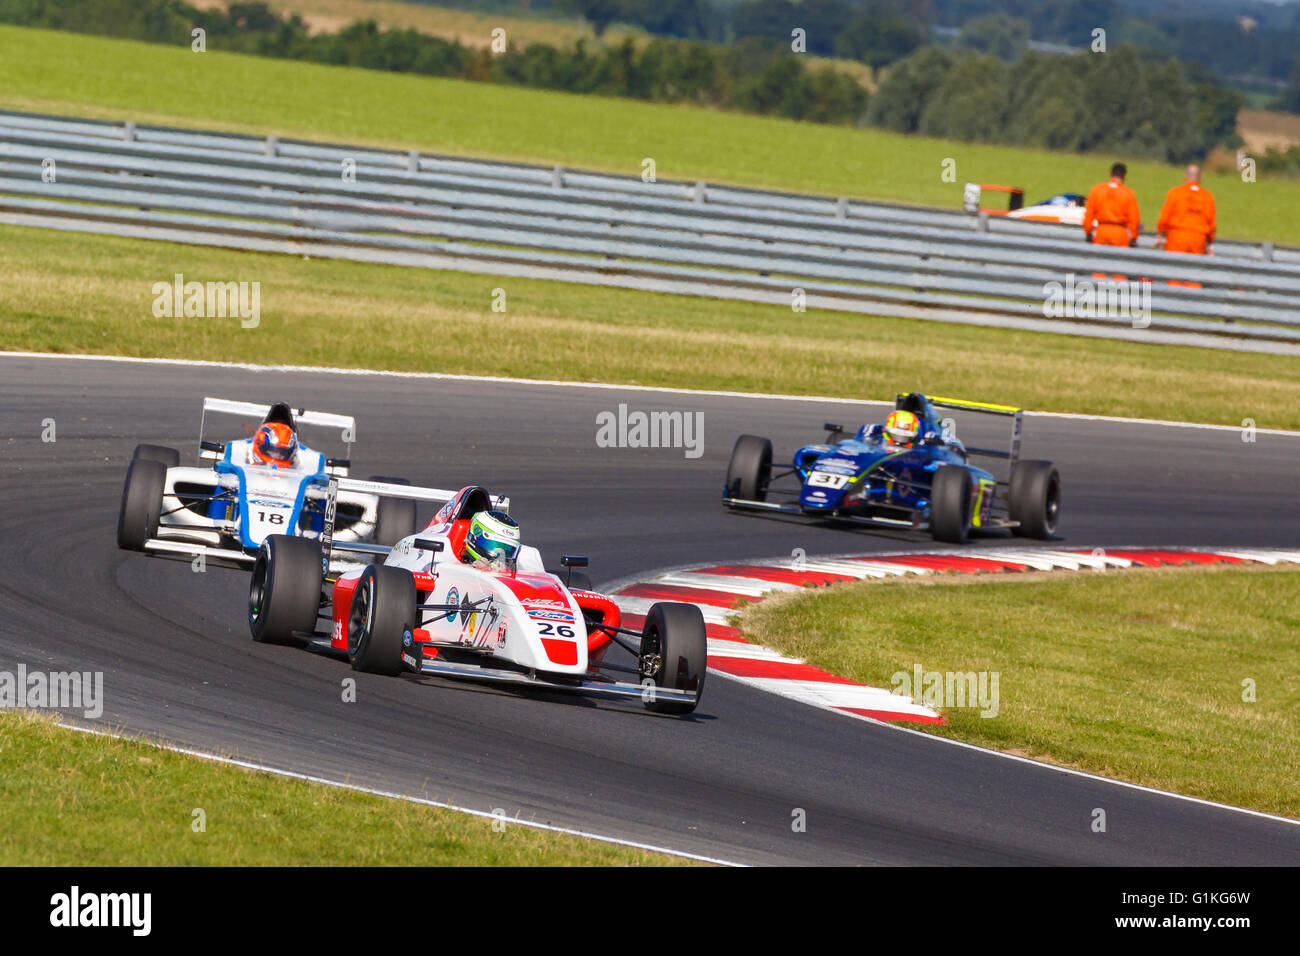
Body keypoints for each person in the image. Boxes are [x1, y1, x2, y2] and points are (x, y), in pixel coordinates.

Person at [1157, 164, 1216, 255]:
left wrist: (1160, 234)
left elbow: (1165, 217)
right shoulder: (1208, 197)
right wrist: (1210, 241)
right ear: (1200, 177)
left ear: (1185, 176)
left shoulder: (1174, 193)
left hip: (1176, 238)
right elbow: (1211, 223)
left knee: (1172, 267)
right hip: (1198, 240)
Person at [1083, 162, 1141, 247]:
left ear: (1110, 174)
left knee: (1098, 258)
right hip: (1120, 233)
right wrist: (1133, 238)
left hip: (1101, 231)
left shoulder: (1097, 190)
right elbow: (1134, 219)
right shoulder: (1129, 193)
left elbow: (1089, 214)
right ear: (1124, 176)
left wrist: (1088, 232)